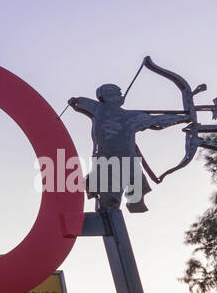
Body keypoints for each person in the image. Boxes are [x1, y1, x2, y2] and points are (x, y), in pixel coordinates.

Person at [68, 85, 189, 213]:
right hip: (109, 164)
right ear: (106, 97)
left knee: (133, 198)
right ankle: (112, 219)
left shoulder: (127, 116)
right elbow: (80, 103)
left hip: (127, 163)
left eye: (119, 93)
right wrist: (184, 118)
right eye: (115, 93)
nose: (121, 96)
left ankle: (123, 211)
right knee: (109, 204)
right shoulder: (107, 111)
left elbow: (157, 120)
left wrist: (184, 118)